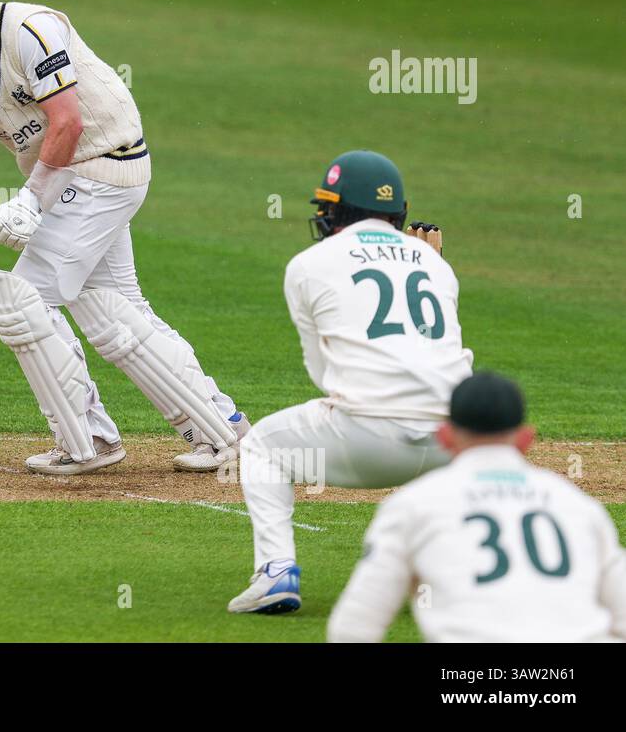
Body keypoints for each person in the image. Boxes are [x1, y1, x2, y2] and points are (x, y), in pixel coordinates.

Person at [0, 0, 248, 476]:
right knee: (118, 312)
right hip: (70, 178)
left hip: (104, 163)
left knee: (22, 299)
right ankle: (222, 429)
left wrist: (31, 202)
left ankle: (86, 438)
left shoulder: (26, 29)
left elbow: (68, 122)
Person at [228, 149, 472, 613]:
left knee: (260, 447)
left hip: (369, 438)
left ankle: (276, 572)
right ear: (397, 213)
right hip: (454, 444)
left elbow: (324, 375)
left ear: (335, 211)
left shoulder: (308, 263)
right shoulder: (436, 263)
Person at [328, 371, 626, 641]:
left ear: (444, 436)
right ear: (526, 440)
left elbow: (353, 629)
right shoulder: (577, 503)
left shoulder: (413, 504)